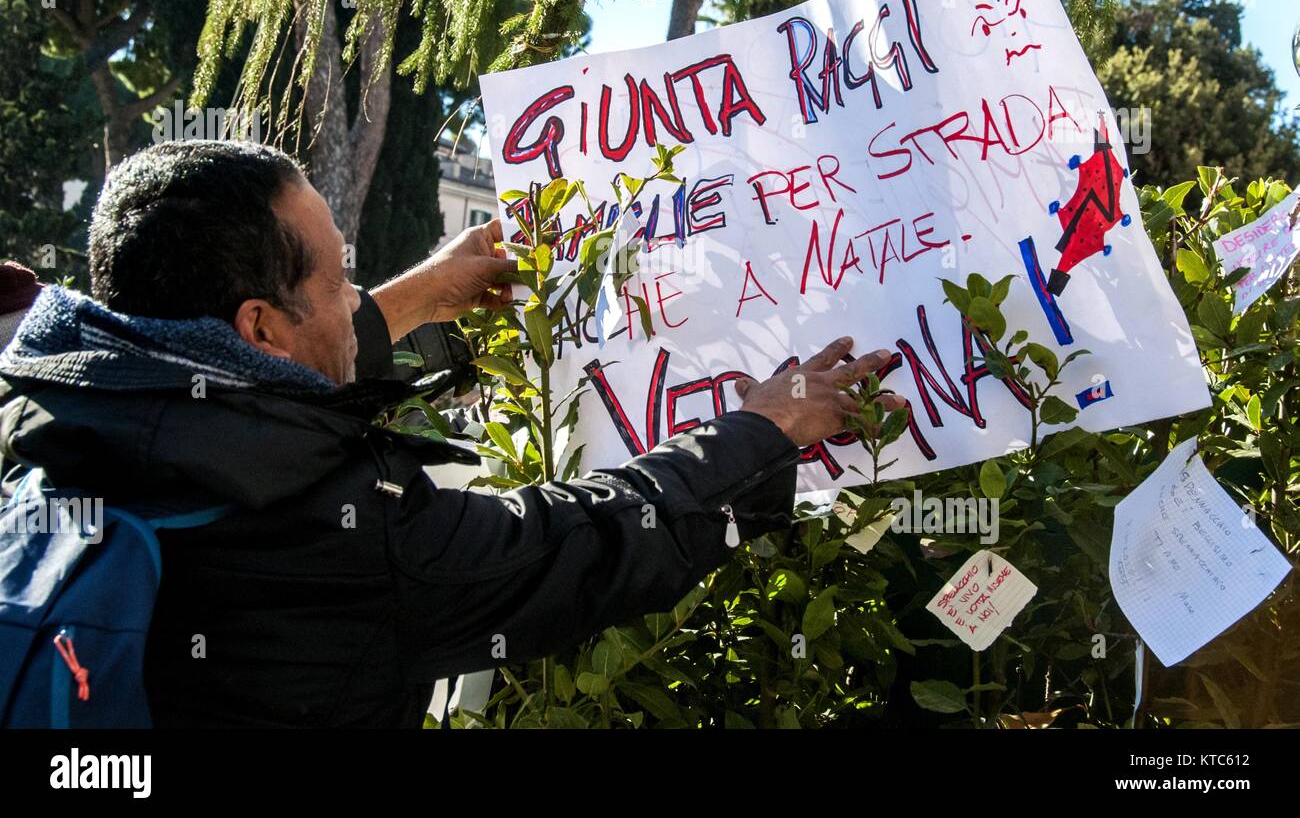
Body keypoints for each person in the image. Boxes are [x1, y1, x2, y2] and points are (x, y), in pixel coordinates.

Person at [0, 140, 903, 728]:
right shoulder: (341, 536)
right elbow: (581, 540)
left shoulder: (52, 433)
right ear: (260, 327)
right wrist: (763, 426)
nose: (355, 299)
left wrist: (422, 294)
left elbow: (244, 401)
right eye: (341, 279)